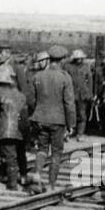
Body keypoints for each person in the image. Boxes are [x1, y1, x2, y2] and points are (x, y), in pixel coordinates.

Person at [28, 45, 76, 190]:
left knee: (42, 149)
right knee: (56, 153)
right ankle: (51, 185)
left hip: (40, 118)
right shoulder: (65, 77)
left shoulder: (38, 76)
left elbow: (31, 100)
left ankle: (36, 173)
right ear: (62, 60)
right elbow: (69, 103)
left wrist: (36, 115)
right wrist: (71, 124)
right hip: (57, 121)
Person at [0, 64, 29, 191]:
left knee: (10, 157)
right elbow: (25, 115)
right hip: (21, 130)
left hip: (5, 131)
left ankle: (12, 184)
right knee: (20, 154)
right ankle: (23, 177)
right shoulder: (20, 95)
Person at [68, 49, 94, 139]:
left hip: (83, 95)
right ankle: (71, 131)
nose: (79, 60)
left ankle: (80, 133)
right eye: (77, 58)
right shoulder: (69, 67)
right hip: (71, 94)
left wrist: (90, 94)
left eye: (80, 58)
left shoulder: (86, 67)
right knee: (71, 113)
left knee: (82, 114)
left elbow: (90, 81)